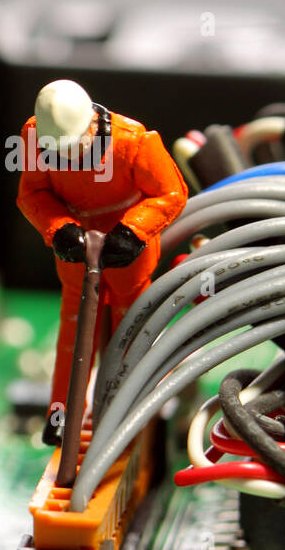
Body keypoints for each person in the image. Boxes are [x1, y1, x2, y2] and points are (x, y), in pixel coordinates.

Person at [16, 79, 188, 443]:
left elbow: (172, 192)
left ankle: (125, 412)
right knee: (74, 336)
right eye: (55, 150)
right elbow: (32, 193)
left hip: (128, 256)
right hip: (77, 254)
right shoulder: (35, 138)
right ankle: (62, 414)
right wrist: (58, 228)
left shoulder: (135, 141)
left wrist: (133, 231)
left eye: (71, 147)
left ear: (92, 125)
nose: (64, 158)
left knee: (131, 331)